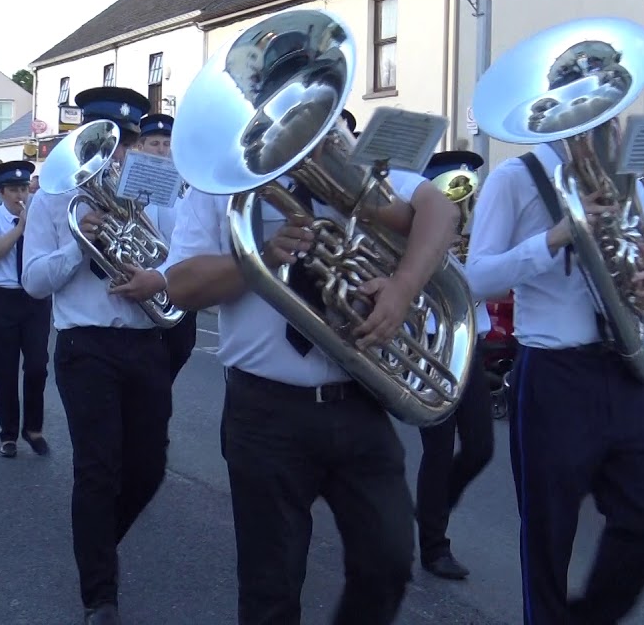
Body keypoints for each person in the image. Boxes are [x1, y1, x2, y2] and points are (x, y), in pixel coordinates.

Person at [165, 140, 459, 625]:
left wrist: (403, 287)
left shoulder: (358, 167)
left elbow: (440, 210)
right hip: (265, 411)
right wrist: (255, 259)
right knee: (271, 589)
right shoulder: (222, 178)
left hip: (358, 402)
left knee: (388, 561)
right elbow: (180, 284)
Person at [465, 141, 644, 624]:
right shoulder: (515, 177)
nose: (604, 122)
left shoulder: (622, 175)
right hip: (554, 372)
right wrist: (556, 237)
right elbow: (478, 277)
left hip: (627, 365)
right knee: (549, 536)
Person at [22, 87, 175, 625]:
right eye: (104, 144)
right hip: (85, 345)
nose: (116, 155)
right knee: (97, 468)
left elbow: (180, 262)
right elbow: (34, 282)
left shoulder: (160, 195)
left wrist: (158, 271)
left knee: (150, 466)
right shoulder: (51, 199)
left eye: (126, 143)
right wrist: (76, 243)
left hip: (146, 340)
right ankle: (100, 596)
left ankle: (96, 547)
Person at [414, 150, 494, 580]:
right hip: (431, 347)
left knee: (481, 447)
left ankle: (434, 503)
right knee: (439, 451)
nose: (461, 212)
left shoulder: (472, 242)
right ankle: (434, 546)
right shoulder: (416, 239)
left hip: (470, 348)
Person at [0, 160, 53, 458]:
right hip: (1, 299)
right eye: (13, 189)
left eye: (24, 188)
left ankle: (33, 428)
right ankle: (8, 432)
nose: (21, 195)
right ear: (1, 192)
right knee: (5, 372)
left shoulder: (40, 217)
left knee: (37, 366)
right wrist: (20, 228)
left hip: (34, 299)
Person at [132, 113, 198, 384]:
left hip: (177, 279)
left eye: (166, 144)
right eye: (155, 144)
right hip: (141, 278)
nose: (161, 150)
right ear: (141, 147)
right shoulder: (128, 183)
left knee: (181, 347)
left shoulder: (186, 184)